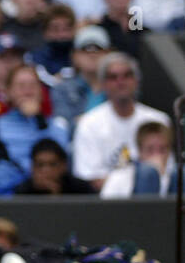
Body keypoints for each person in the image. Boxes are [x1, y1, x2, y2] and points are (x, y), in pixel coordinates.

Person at [71, 52, 170, 189]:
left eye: (127, 75)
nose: (121, 82)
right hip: (112, 202)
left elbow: (169, 169)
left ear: (137, 80)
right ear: (103, 84)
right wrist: (133, 177)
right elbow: (92, 179)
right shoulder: (89, 123)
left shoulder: (158, 120)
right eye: (113, 77)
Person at [0, 64, 70, 196]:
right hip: (11, 197)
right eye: (21, 86)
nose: (28, 91)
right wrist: (32, 183)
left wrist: (38, 120)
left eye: (33, 86)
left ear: (41, 92)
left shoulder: (58, 126)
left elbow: (61, 164)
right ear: (8, 92)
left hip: (54, 195)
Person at [52, 24, 110, 124]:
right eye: (85, 49)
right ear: (74, 56)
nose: (92, 54)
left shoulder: (120, 85)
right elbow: (63, 128)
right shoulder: (62, 90)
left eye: (98, 48)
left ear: (108, 54)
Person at [99, 120, 175, 197]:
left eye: (162, 149)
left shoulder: (176, 179)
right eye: (150, 149)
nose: (156, 155)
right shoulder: (119, 177)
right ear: (140, 151)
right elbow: (105, 207)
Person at [15, 138, 94, 195]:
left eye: (52, 164)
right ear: (32, 167)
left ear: (64, 165)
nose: (45, 170)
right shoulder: (23, 192)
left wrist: (56, 194)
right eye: (40, 165)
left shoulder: (81, 190)